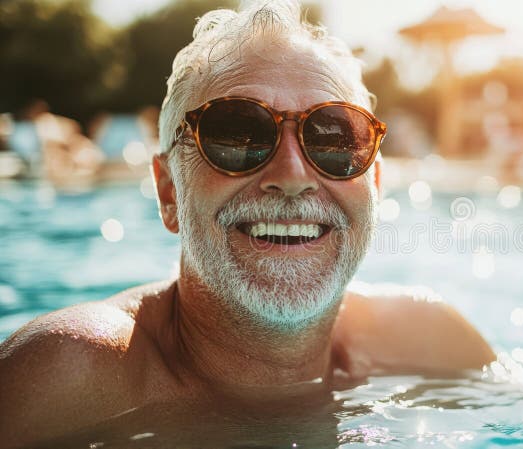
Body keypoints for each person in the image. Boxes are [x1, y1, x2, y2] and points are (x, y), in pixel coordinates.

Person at [0, 1, 495, 446]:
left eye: (334, 137)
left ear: (375, 187)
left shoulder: (432, 346)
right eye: (237, 133)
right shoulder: (68, 379)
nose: (294, 176)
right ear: (168, 190)